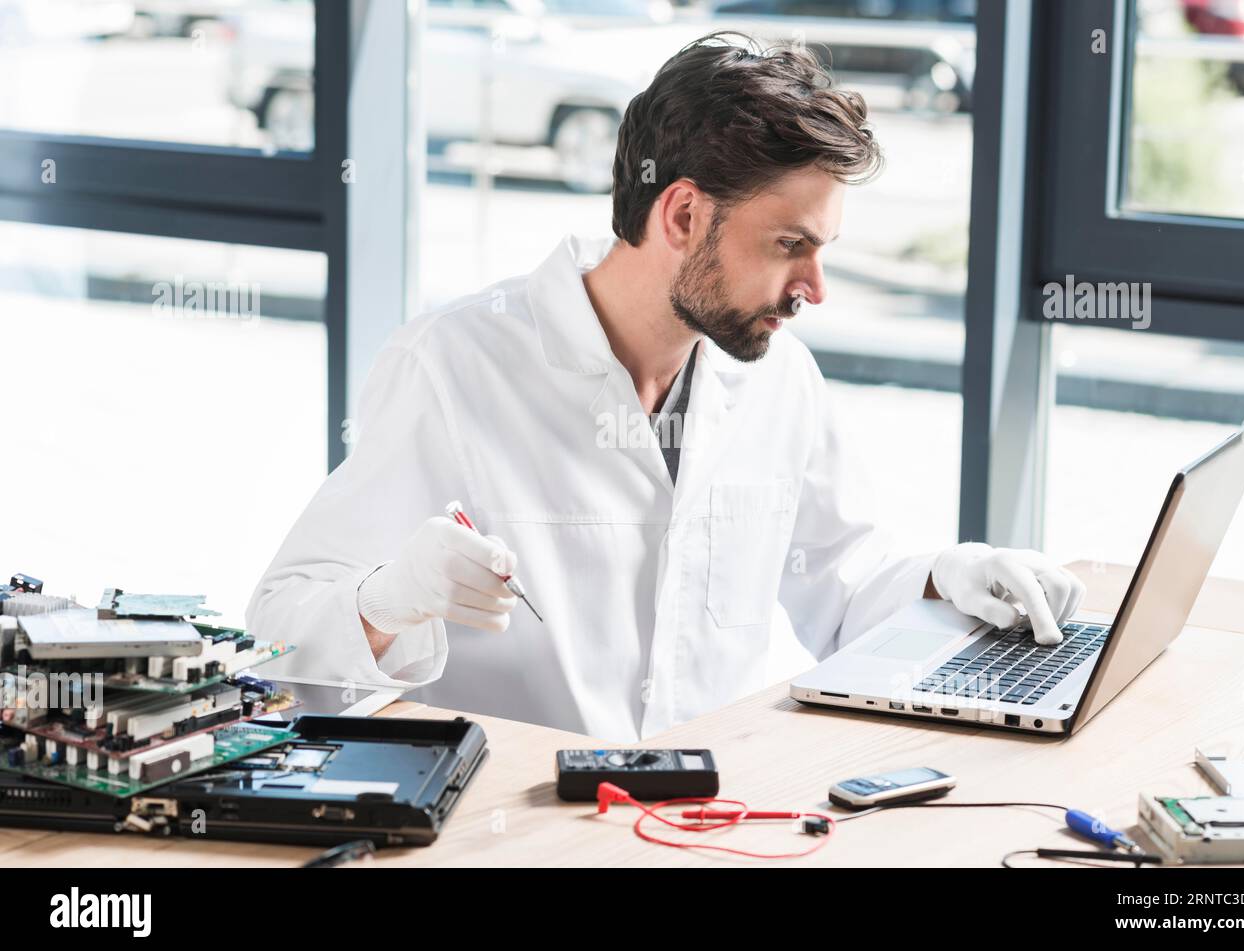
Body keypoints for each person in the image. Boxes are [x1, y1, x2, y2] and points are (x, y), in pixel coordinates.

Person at [246, 33, 1084, 742]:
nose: (815, 288)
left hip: (710, 818)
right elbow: (274, 643)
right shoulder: (453, 364)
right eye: (791, 243)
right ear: (682, 216)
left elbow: (842, 580)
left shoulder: (776, 374)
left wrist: (953, 573)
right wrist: (387, 601)